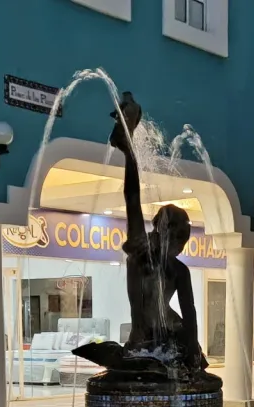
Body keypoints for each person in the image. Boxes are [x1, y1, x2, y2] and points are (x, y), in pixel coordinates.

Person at [75, 93, 206, 376]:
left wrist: (193, 347)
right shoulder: (141, 253)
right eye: (176, 239)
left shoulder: (178, 270)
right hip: (143, 343)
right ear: (161, 232)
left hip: (169, 340)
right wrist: (129, 150)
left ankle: (126, 140)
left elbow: (190, 312)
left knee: (193, 364)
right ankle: (126, 142)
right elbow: (132, 198)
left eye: (182, 242)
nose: (178, 247)